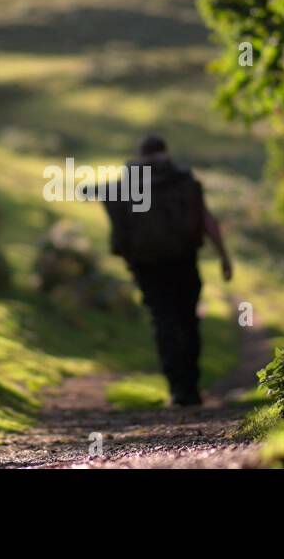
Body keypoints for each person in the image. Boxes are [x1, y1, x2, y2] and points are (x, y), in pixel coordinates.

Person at [103, 135, 232, 407]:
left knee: (163, 321)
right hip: (183, 260)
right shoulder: (183, 181)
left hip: (147, 266)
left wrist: (129, 258)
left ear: (140, 156)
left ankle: (177, 388)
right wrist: (224, 256)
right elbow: (207, 220)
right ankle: (191, 386)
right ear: (166, 152)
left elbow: (120, 227)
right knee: (188, 321)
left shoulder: (129, 184)